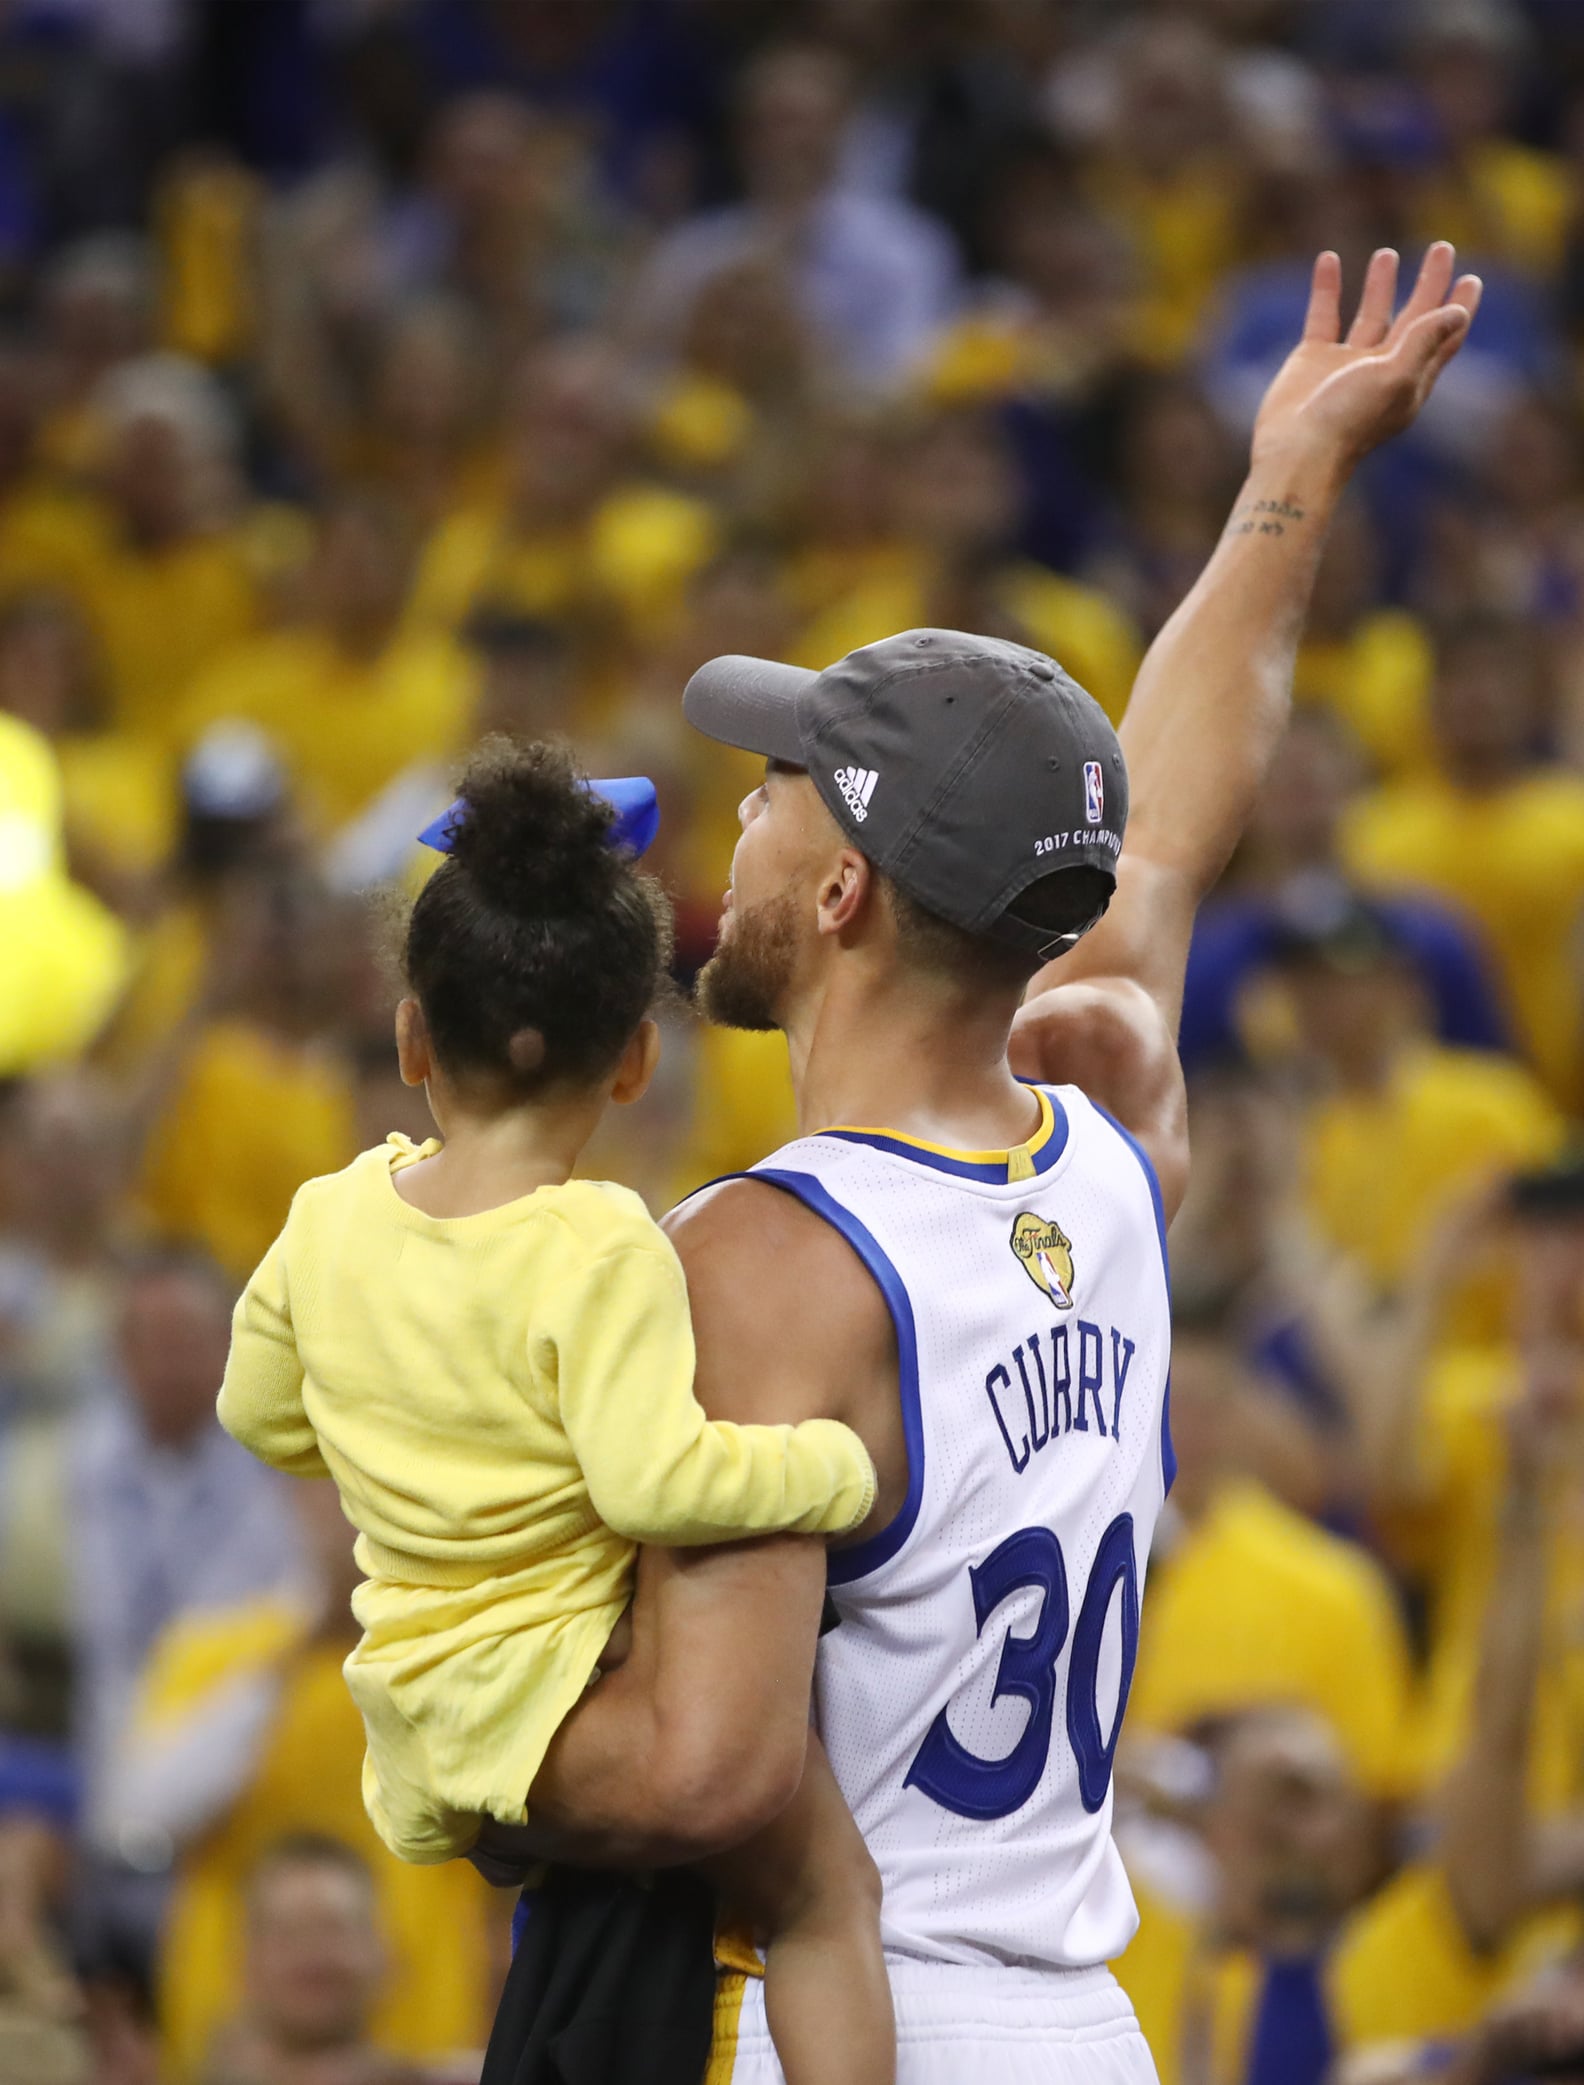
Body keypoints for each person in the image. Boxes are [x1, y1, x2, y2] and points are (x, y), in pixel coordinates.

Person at [467, 243, 1481, 2085]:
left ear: (843, 892)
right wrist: (1294, 481)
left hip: (834, 2017)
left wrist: (461, 1743)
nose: (748, 813)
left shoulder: (769, 1259)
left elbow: (709, 1770)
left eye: (781, 788)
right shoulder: (1101, 1152)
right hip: (1077, 2018)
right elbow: (1162, 828)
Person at [217, 742, 892, 2085]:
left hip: (415, 1716)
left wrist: (382, 1416)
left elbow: (260, 1412)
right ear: (636, 1058)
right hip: (559, 1703)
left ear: (412, 1033)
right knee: (825, 1897)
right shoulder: (599, 1241)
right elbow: (655, 1482)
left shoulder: (327, 1213)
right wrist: (835, 1468)